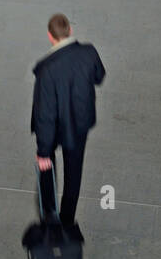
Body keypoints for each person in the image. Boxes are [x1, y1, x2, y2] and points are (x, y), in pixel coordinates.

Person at [32, 13, 106, 228]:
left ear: (50, 36)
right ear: (70, 31)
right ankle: (67, 221)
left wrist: (44, 151)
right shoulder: (89, 52)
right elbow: (99, 76)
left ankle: (49, 217)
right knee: (74, 175)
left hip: (55, 127)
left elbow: (44, 114)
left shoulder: (46, 68)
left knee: (47, 169)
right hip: (79, 124)